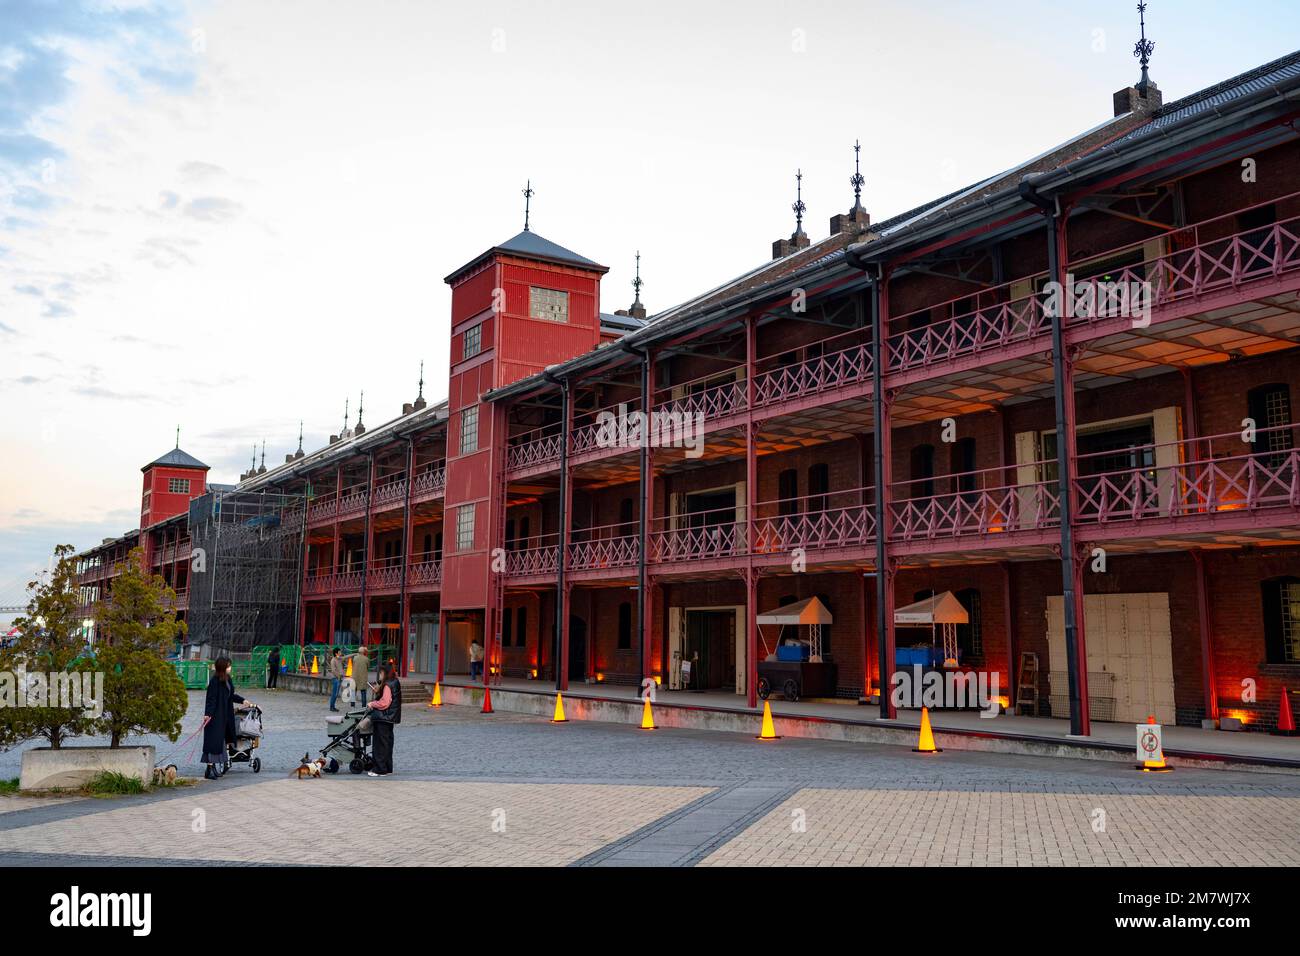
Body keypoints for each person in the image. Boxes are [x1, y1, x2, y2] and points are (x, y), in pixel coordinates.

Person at [202, 657, 250, 780]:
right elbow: (210, 699)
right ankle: (210, 767)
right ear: (223, 667)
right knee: (213, 742)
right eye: (228, 666)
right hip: (215, 715)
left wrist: (242, 700)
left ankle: (212, 768)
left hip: (225, 715)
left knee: (220, 742)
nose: (230, 668)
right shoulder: (214, 681)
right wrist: (208, 714)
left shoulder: (227, 679)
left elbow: (231, 695)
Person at [366, 663, 402, 776]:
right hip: (390, 718)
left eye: (381, 673)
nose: (379, 675)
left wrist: (372, 703)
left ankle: (380, 769)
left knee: (380, 744)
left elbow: (384, 703)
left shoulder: (387, 685)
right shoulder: (395, 682)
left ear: (385, 673)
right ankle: (387, 768)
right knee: (387, 744)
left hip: (383, 718)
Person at [327, 647, 344, 712]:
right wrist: (338, 677)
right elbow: (333, 670)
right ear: (336, 653)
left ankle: (332, 706)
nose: (341, 653)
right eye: (339, 652)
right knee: (334, 693)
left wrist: (354, 654)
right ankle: (332, 707)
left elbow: (347, 657)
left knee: (336, 693)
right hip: (335, 678)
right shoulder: (333, 660)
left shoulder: (339, 659)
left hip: (338, 678)